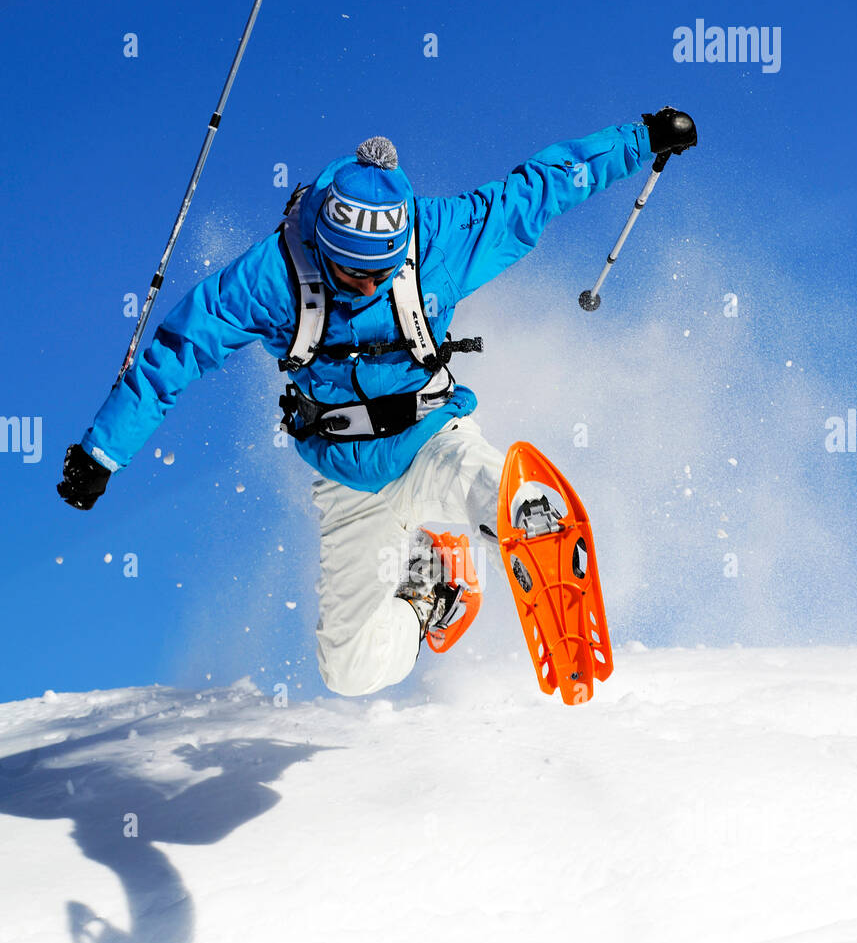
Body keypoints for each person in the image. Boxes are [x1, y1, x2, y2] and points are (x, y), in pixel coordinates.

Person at [58, 108, 697, 696]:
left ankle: (527, 515)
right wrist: (103, 451)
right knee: (348, 672)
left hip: (431, 439)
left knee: (492, 490)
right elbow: (180, 348)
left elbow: (542, 186)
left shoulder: (441, 236)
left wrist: (641, 138)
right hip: (345, 480)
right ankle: (433, 592)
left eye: (379, 272)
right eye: (351, 273)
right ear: (322, 249)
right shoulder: (271, 277)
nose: (366, 284)